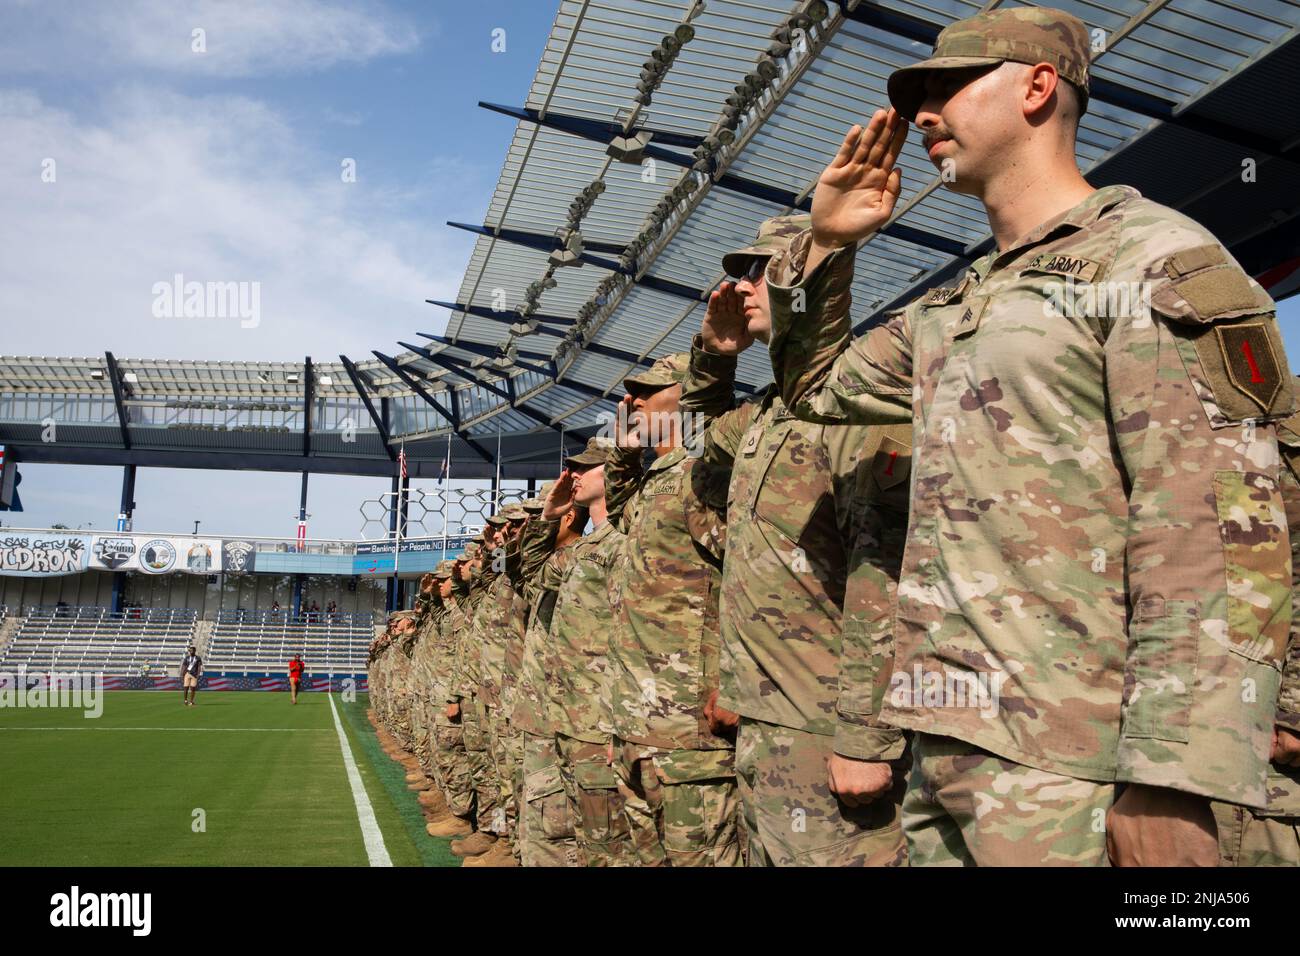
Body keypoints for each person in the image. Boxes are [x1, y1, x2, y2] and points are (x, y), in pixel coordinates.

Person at [764, 6, 1295, 865]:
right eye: (918, 98)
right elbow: (816, 389)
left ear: (1039, 86)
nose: (922, 116)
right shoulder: (958, 300)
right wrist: (826, 248)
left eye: (946, 89)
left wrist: (1175, 773)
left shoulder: (1151, 261)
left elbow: (1223, 529)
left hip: (1077, 767)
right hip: (947, 746)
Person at [681, 215, 913, 866]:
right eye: (743, 272)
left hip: (825, 728)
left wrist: (865, 737)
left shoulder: (863, 407)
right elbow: (694, 457)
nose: (744, 285)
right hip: (768, 721)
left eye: (765, 270)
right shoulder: (764, 414)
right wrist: (713, 360)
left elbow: (886, 577)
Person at [603, 353, 740, 866]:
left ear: (691, 396)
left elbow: (747, 576)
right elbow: (622, 511)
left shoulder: (709, 473)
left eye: (650, 389)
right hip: (639, 720)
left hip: (692, 727)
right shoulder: (657, 479)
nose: (632, 400)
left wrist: (736, 679)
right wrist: (622, 451)